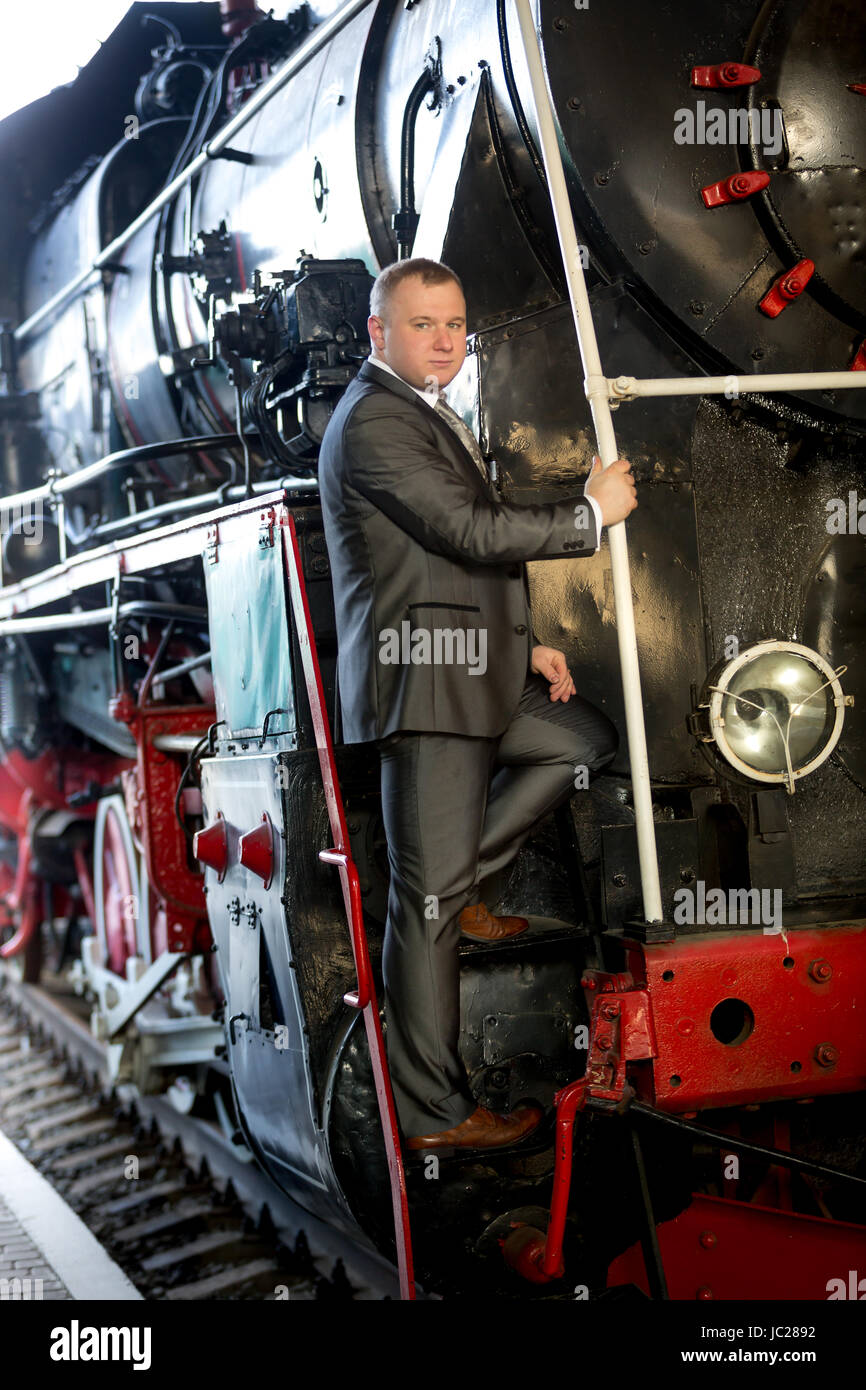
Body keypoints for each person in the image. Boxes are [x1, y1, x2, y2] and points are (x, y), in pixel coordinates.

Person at [318, 257, 637, 1154]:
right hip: (425, 689)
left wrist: (521, 638)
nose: (448, 339)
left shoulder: (420, 411)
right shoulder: (376, 420)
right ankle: (434, 1116)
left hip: (472, 670)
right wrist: (588, 513)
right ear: (378, 332)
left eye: (457, 323)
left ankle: (467, 888)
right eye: (426, 324)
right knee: (420, 910)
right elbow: (468, 531)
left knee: (580, 738)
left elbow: (449, 555)